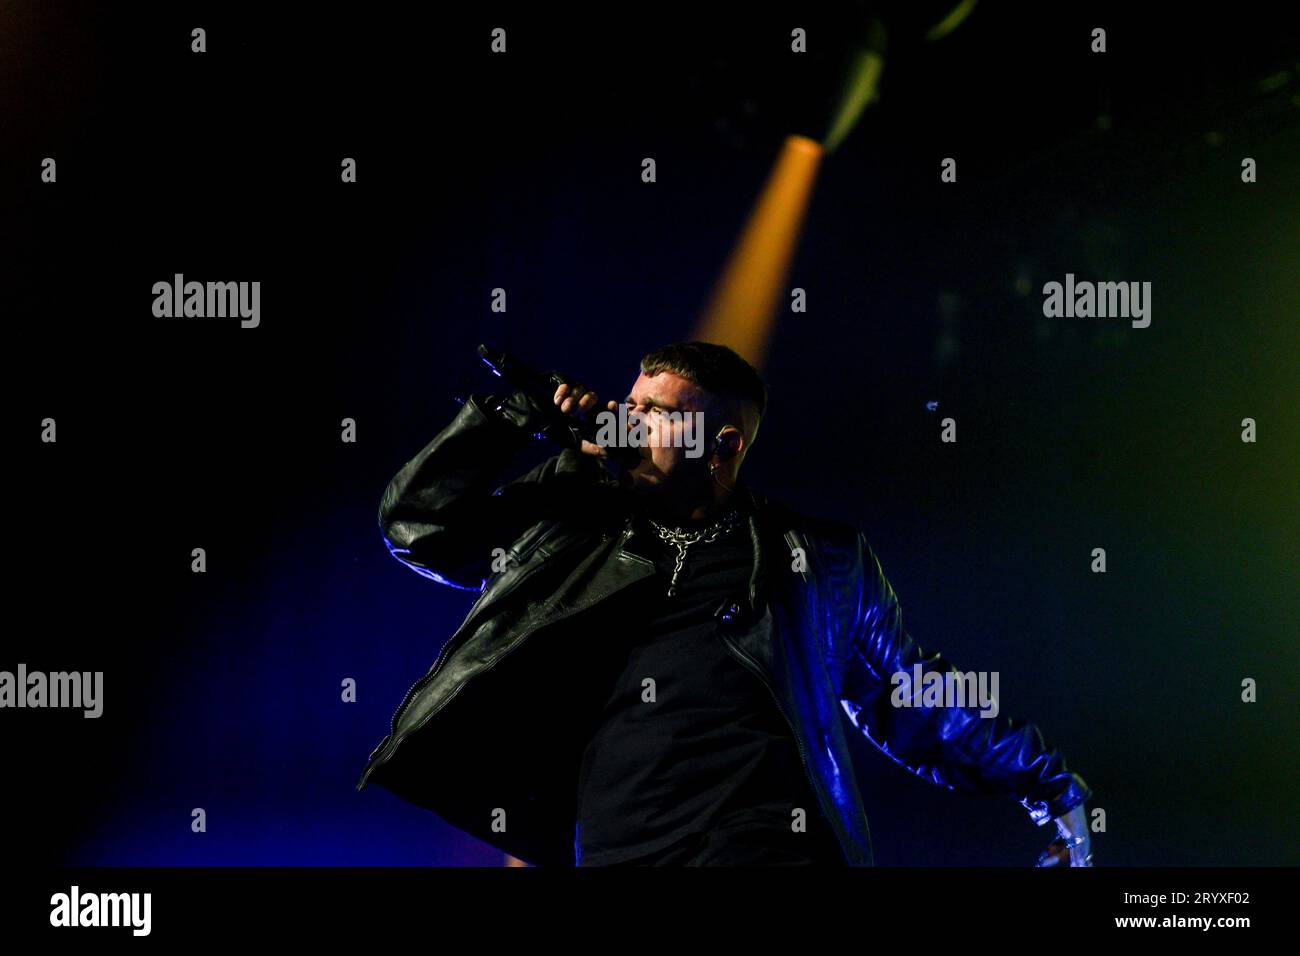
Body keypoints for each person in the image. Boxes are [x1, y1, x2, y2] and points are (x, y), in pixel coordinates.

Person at [356, 341, 1093, 867]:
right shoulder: (574, 519)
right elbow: (418, 527)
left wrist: (1048, 783)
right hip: (616, 847)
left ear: (723, 445)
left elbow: (911, 692)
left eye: (657, 415)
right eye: (629, 405)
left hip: (769, 840)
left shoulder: (818, 557)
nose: (628, 423)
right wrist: (510, 417)